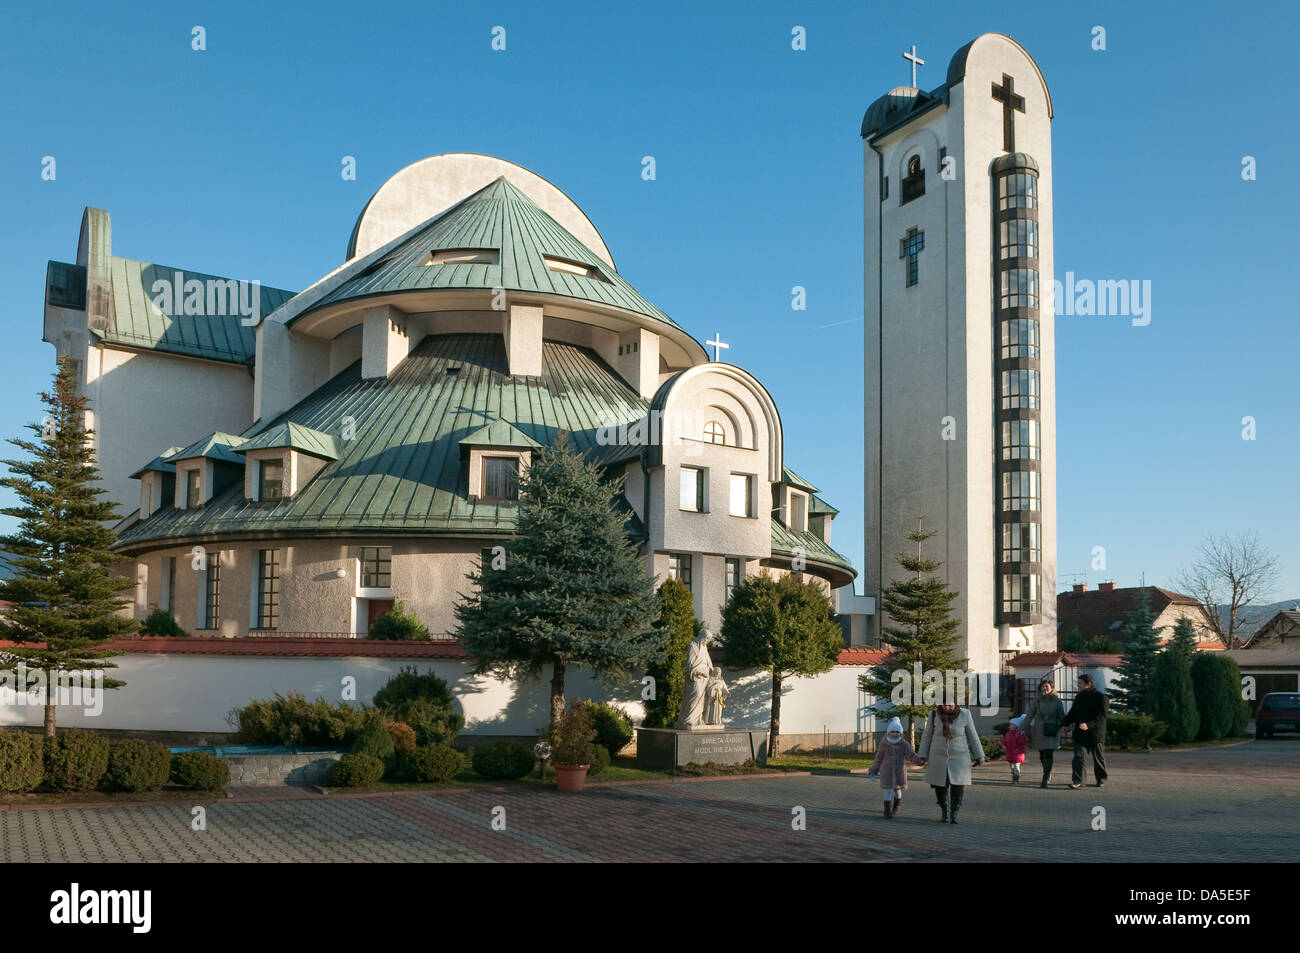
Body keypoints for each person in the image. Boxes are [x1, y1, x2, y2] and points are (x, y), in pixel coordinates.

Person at [918, 703, 985, 824]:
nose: (947, 708)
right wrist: (922, 755)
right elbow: (927, 735)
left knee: (958, 786)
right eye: (944, 705)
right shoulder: (934, 714)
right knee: (940, 786)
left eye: (950, 705)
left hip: (960, 756)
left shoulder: (965, 714)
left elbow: (973, 735)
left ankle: (954, 812)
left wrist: (979, 755)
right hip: (938, 756)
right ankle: (945, 811)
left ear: (955, 704)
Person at [866, 716, 926, 818]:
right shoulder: (884, 743)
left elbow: (910, 755)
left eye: (897, 732)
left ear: (900, 733)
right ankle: (887, 811)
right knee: (888, 790)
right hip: (887, 772)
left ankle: (896, 806)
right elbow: (878, 758)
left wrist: (919, 761)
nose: (895, 734)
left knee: (898, 791)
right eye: (893, 731)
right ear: (889, 732)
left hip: (899, 772)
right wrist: (873, 770)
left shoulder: (903, 744)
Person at [1060, 672, 1108, 789]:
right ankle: (1078, 781)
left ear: (1089, 684)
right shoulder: (1079, 697)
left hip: (1095, 734)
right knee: (1079, 756)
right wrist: (1064, 724)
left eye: (1080, 683)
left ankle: (1101, 779)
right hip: (1080, 734)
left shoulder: (1101, 697)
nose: (1078, 685)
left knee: (1098, 758)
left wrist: (1089, 724)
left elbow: (1101, 716)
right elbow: (1073, 713)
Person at [1023, 678, 1065, 788]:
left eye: (1047, 686)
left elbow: (1061, 715)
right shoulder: (1036, 700)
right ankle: (1047, 772)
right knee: (1042, 754)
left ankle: (1045, 778)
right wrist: (1022, 728)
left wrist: (1066, 725)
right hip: (1039, 728)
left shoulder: (1057, 701)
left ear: (1051, 688)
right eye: (1043, 686)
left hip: (1052, 728)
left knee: (1048, 753)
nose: (1045, 688)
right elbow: (1029, 715)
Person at [1003, 715, 1028, 783]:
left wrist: (1020, 736)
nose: (1010, 726)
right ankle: (1014, 774)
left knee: (1016, 766)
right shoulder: (1008, 734)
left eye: (1012, 725)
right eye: (1010, 724)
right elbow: (1005, 741)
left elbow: (1022, 743)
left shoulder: (1020, 734)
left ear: (1017, 726)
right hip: (1010, 753)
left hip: (1017, 753)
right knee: (1012, 767)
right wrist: (1002, 745)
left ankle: (1016, 777)